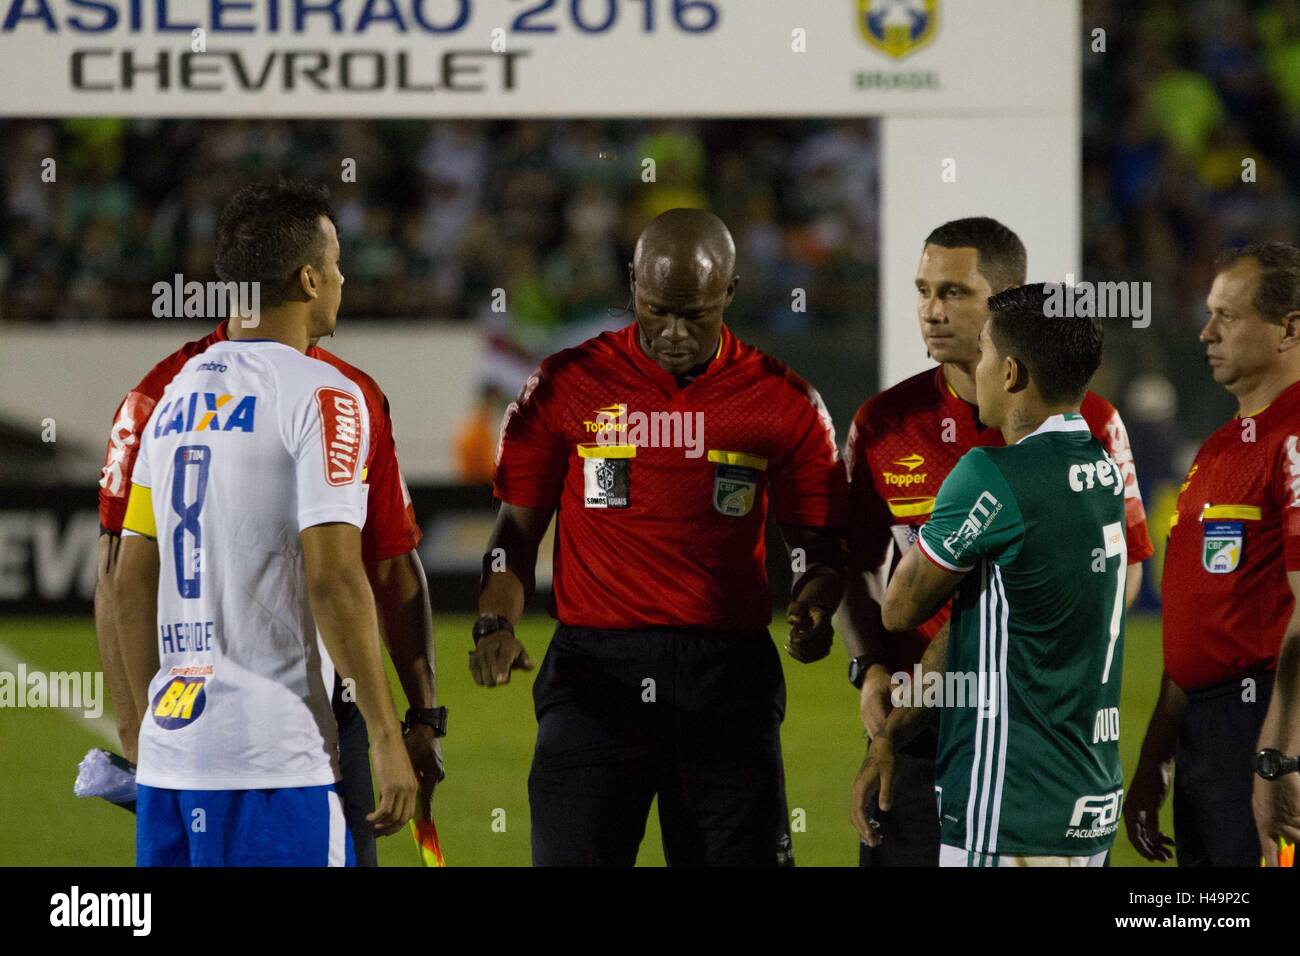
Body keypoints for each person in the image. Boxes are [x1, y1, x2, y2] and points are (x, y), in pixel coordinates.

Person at [472, 208, 848, 866]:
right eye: (655, 309)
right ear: (631, 284)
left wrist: (816, 600)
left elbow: (818, 543)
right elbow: (515, 530)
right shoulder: (564, 385)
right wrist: (494, 623)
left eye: (694, 314)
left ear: (730, 292)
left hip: (726, 681)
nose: (672, 332)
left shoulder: (783, 402)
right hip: (593, 680)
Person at [95, 188, 445, 868]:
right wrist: (383, 733)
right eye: (337, 263)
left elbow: (129, 580)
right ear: (309, 278)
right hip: (277, 753)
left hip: (178, 755)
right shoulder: (328, 394)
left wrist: (145, 735)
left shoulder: (170, 396)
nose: (343, 279)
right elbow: (337, 576)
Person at [840, 217, 1152, 866]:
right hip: (926, 725)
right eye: (922, 290)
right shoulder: (883, 422)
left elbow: (1122, 570)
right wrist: (868, 669)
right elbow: (853, 569)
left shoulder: (1090, 422)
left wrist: (1042, 668)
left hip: (1020, 739)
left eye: (953, 293)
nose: (931, 311)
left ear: (1003, 306)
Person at [1128, 242, 1300, 867]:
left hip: (1263, 732)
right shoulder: (1219, 448)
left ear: (1289, 328)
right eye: (1208, 313)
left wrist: (1281, 757)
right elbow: (1194, 619)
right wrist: (1156, 756)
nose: (1206, 332)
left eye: (1227, 316)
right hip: (1203, 735)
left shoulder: (1296, 437)